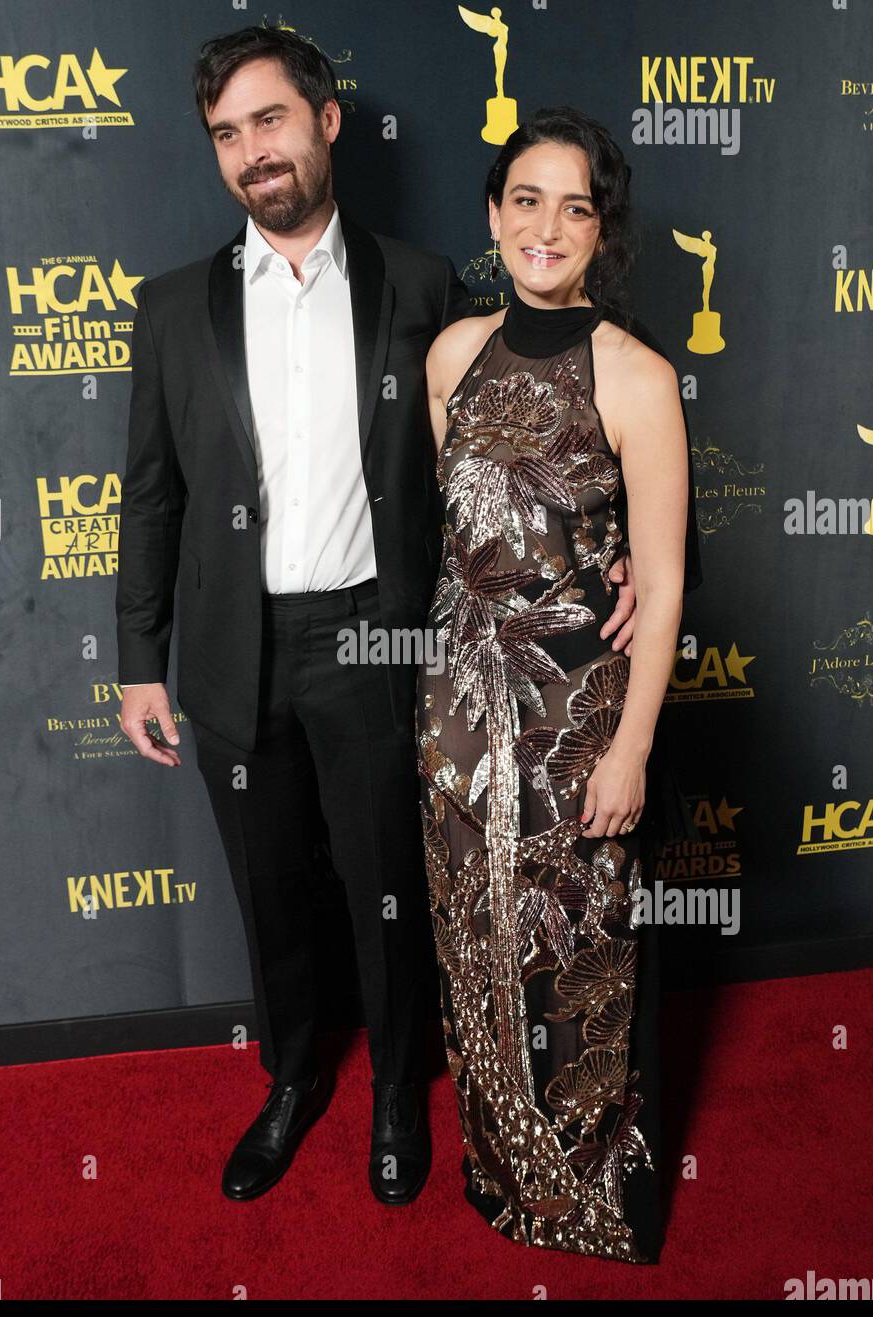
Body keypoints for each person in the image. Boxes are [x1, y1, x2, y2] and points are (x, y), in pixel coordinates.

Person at [115, 27, 657, 1210]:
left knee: (385, 889)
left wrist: (633, 562)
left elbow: (516, 438)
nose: (253, 151)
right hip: (228, 649)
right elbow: (149, 494)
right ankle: (292, 1077)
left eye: (270, 120)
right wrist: (136, 660)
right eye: (227, 134)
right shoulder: (168, 310)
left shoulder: (420, 288)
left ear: (325, 122)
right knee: (271, 894)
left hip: (378, 641)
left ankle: (401, 1093)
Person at [416, 107, 691, 1261]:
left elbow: (664, 582)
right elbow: (461, 538)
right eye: (525, 200)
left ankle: (582, 1192)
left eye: (574, 205)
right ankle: (498, 1165)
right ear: (493, 214)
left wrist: (627, 748)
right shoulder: (451, 354)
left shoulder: (634, 375)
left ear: (600, 228)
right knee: (470, 945)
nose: (546, 226)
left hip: (574, 712)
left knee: (574, 950)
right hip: (455, 709)